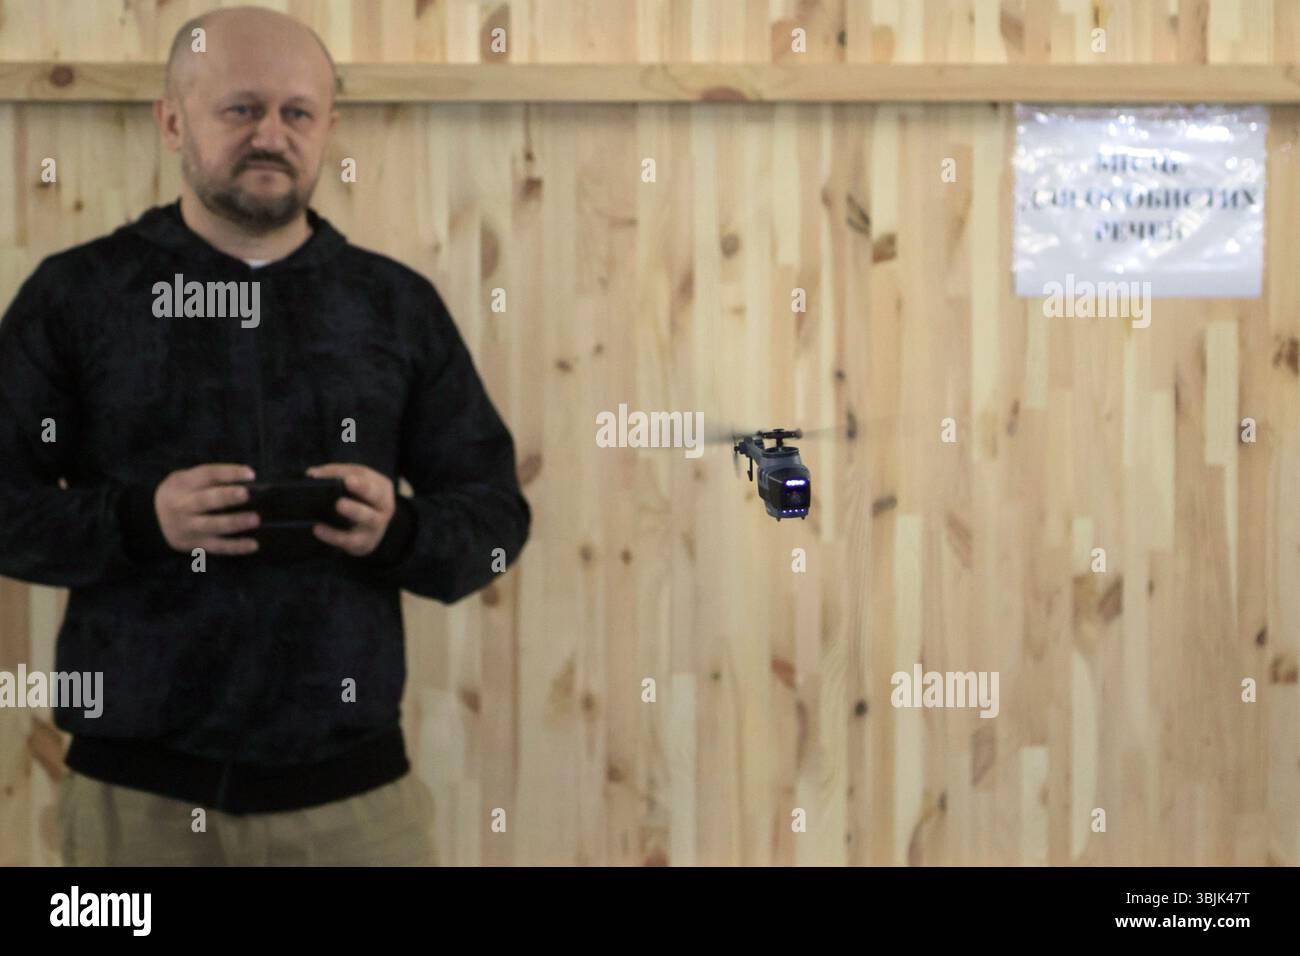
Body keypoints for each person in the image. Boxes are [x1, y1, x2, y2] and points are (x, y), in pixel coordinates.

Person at [0, 6, 530, 865]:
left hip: (354, 806)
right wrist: (140, 522)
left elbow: (496, 522)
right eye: (240, 109)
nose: (271, 135)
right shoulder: (77, 297)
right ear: (173, 119)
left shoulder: (394, 308)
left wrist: (397, 533)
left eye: (297, 112)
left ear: (327, 129)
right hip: (134, 807)